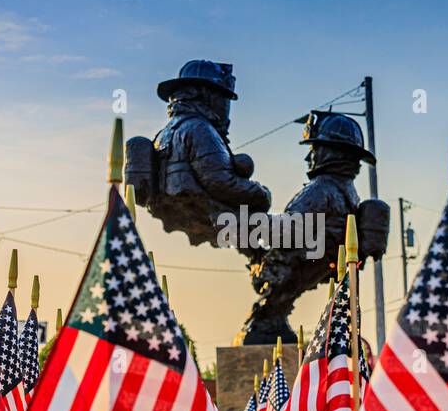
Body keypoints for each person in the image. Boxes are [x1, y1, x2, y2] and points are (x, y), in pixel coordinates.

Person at [241, 111, 389, 344]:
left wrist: (251, 222)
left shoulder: (321, 190)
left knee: (264, 311)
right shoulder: (348, 192)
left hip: (294, 267)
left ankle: (268, 321)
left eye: (314, 149)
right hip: (312, 267)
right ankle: (271, 319)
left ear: (329, 152)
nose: (309, 158)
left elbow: (288, 229)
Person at [125, 60, 271, 246]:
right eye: (222, 97)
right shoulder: (199, 129)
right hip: (210, 213)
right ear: (206, 95)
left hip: (187, 213)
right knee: (295, 233)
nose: (225, 106)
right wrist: (262, 193)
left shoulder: (164, 133)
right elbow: (221, 183)